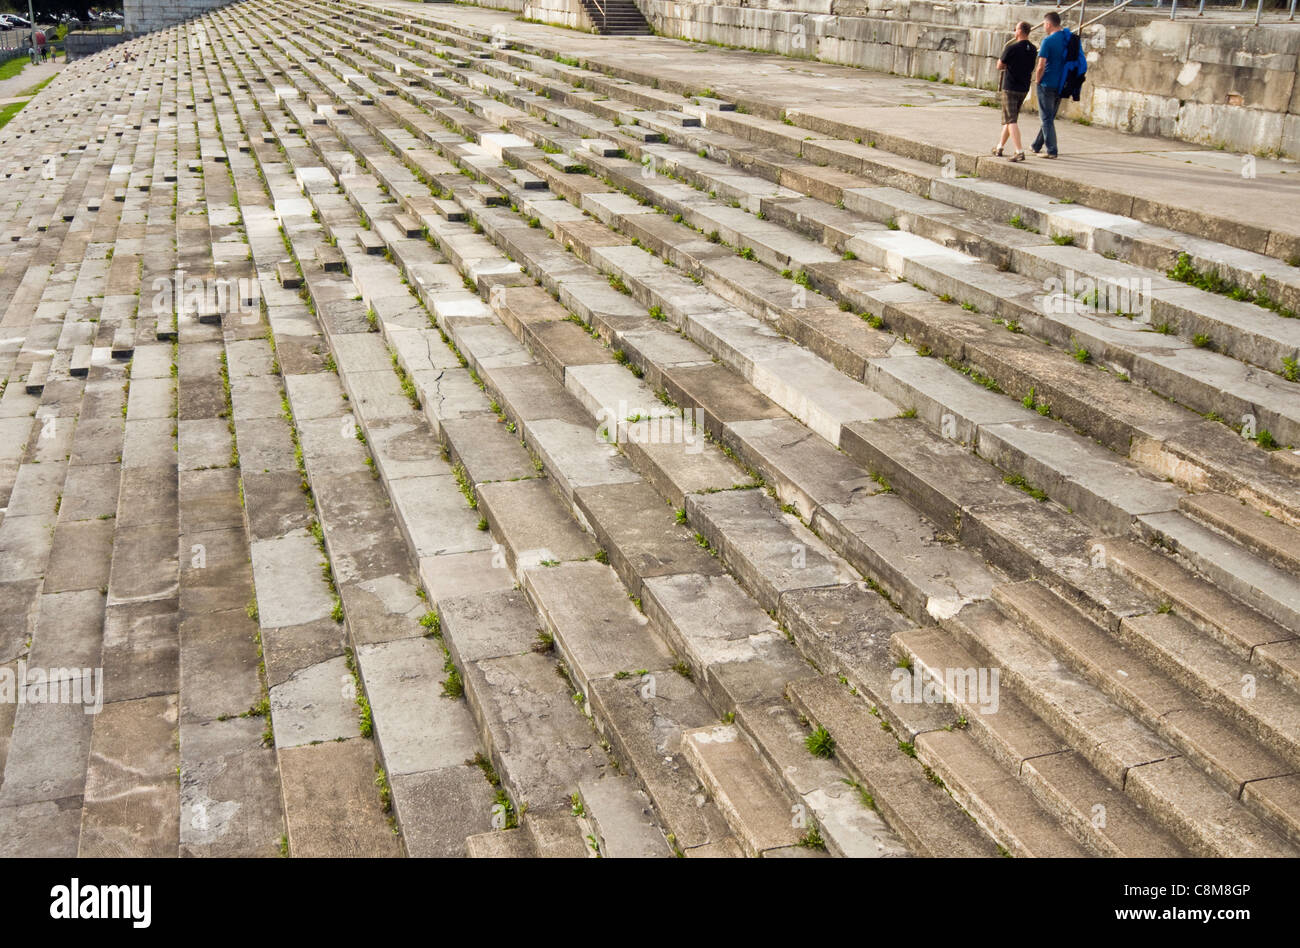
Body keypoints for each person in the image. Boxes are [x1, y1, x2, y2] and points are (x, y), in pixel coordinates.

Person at [993, 21, 1036, 163]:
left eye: (1016, 29)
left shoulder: (1011, 48)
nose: (1014, 31)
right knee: (1011, 119)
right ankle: (999, 147)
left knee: (1011, 120)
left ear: (1019, 31)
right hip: (1023, 87)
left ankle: (1019, 151)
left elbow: (999, 65)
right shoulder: (1033, 49)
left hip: (1010, 87)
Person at [1033, 11, 1068, 159]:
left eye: (1044, 25)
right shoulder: (1069, 38)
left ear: (1048, 24)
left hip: (1047, 82)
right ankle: (1036, 145)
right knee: (1049, 116)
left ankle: (1052, 150)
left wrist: (1037, 80)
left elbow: (1041, 65)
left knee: (1046, 117)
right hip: (1062, 82)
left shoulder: (1048, 41)